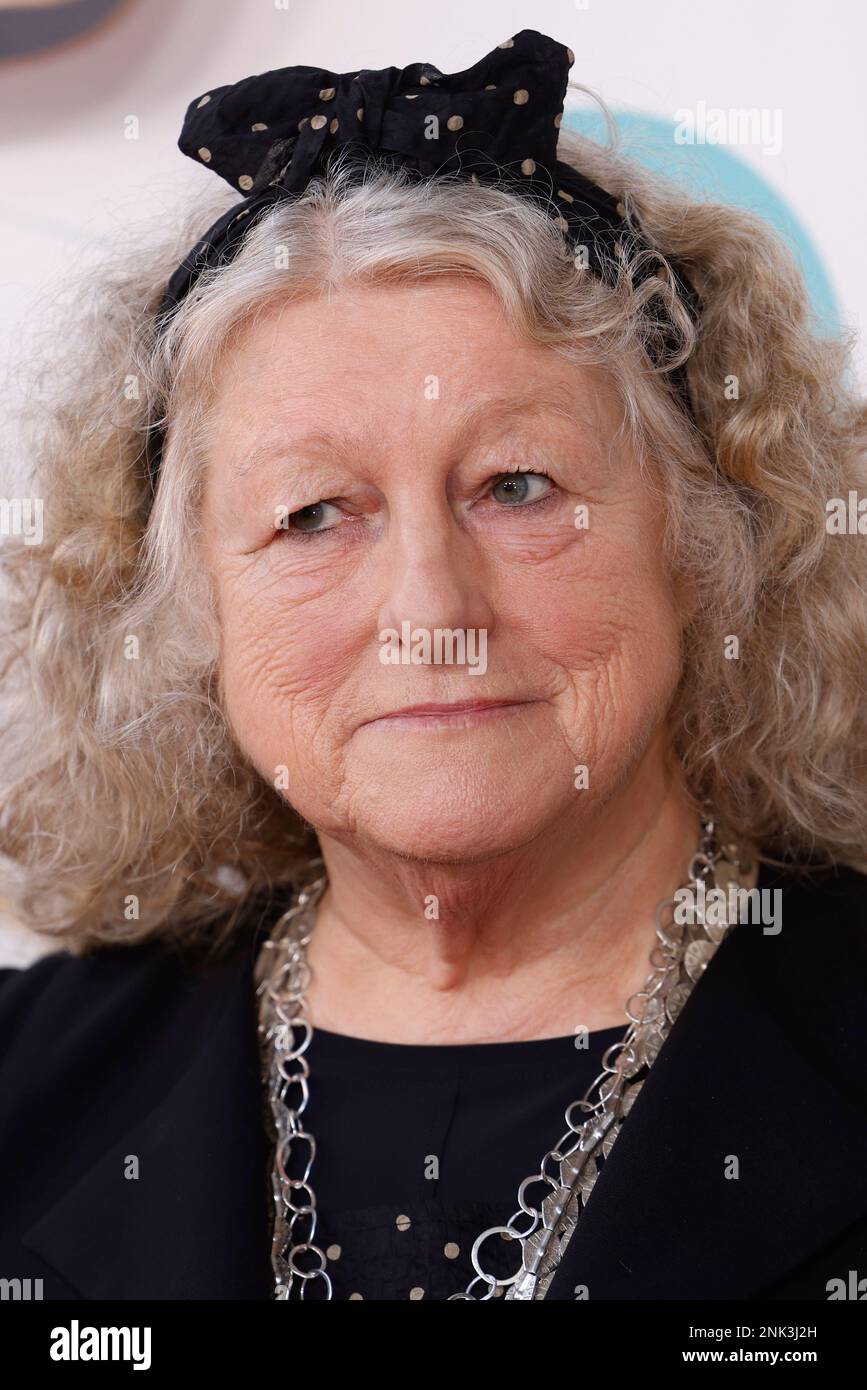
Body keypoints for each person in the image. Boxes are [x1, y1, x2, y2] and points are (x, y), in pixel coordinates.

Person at [1, 29, 865, 1302]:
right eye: (313, 514)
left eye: (520, 486)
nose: (429, 610)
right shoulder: (25, 1084)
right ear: (190, 605)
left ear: (706, 539)